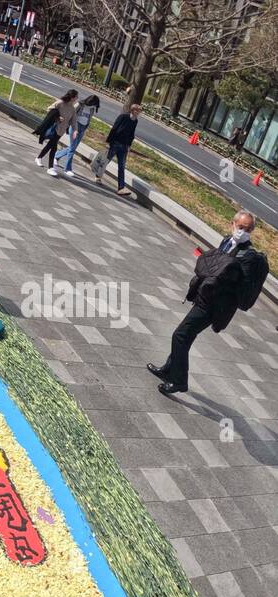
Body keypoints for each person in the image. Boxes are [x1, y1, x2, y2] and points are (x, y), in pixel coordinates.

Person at [146, 211, 269, 396]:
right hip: (205, 296)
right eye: (240, 226)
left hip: (216, 305)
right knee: (186, 336)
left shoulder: (248, 256)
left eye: (247, 229)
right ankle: (169, 369)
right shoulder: (227, 241)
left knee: (180, 335)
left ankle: (179, 381)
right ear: (232, 223)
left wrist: (224, 278)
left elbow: (238, 286)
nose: (242, 231)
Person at [33, 89, 77, 175]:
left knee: (51, 145)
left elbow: (73, 121)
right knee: (53, 147)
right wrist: (58, 117)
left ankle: (39, 158)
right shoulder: (60, 103)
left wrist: (75, 130)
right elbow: (49, 109)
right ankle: (50, 167)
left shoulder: (72, 109)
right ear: (72, 97)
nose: (77, 99)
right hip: (54, 128)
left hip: (62, 130)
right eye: (76, 97)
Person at [100, 103, 141, 197]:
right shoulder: (123, 117)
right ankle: (98, 176)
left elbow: (132, 133)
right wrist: (108, 142)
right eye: (137, 111)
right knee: (106, 161)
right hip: (115, 143)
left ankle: (121, 188)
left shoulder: (135, 121)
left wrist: (129, 145)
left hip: (124, 146)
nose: (139, 113)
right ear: (133, 110)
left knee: (122, 167)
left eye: (139, 111)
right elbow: (114, 128)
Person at [56, 93, 98, 178]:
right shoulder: (80, 104)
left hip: (83, 128)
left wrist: (85, 127)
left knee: (73, 147)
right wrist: (69, 126)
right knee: (72, 149)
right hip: (75, 126)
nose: (95, 105)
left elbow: (89, 119)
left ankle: (56, 155)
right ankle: (67, 169)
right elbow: (71, 114)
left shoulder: (92, 109)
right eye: (94, 103)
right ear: (90, 101)